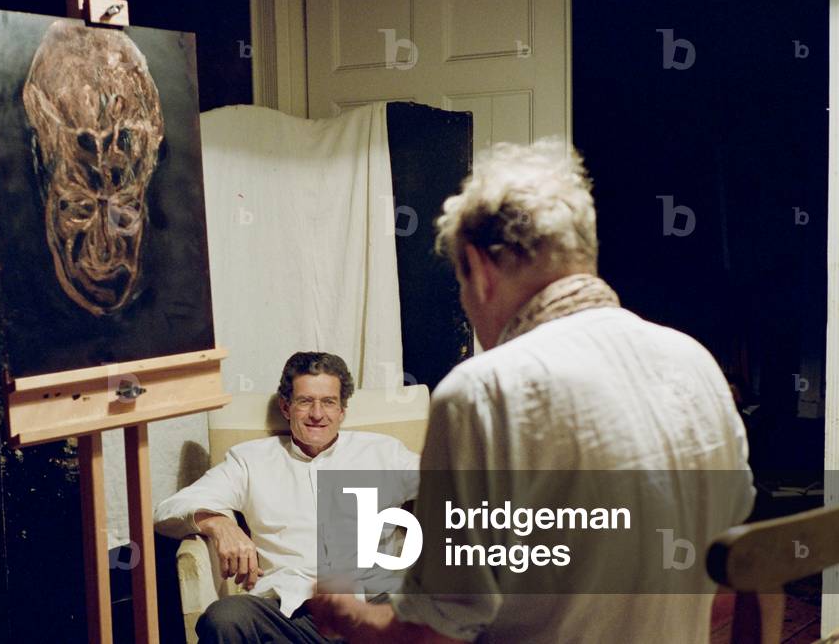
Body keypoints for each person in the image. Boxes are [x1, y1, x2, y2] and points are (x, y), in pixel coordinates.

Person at [308, 139, 754, 643]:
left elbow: (432, 638)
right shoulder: (693, 361)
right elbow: (723, 585)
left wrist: (346, 612)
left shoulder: (482, 392)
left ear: (478, 268)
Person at [156, 351, 420, 644]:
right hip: (290, 612)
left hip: (375, 606)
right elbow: (166, 511)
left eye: (329, 402)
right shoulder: (250, 461)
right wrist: (219, 524)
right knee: (225, 618)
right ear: (286, 406)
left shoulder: (383, 453)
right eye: (305, 401)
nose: (317, 414)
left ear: (343, 410)